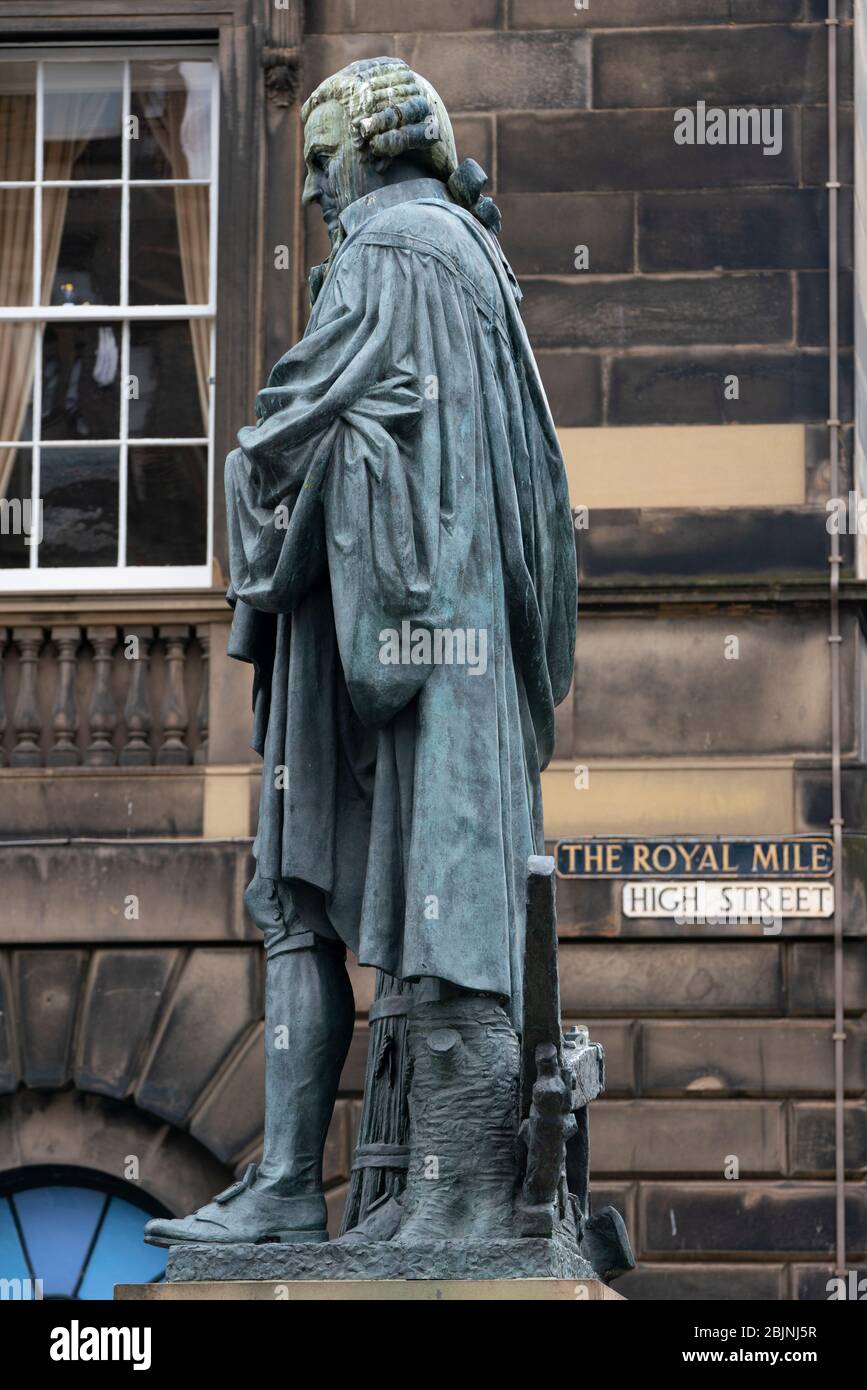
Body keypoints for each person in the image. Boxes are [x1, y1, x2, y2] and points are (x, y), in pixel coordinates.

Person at [145, 56, 576, 1249]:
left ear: (374, 152)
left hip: (390, 653)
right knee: (361, 903)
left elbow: (304, 432)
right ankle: (329, 1186)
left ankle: (305, 1186)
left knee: (304, 894)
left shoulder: (392, 250)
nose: (314, 196)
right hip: (445, 646)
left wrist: (247, 470)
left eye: (321, 163)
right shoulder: (476, 264)